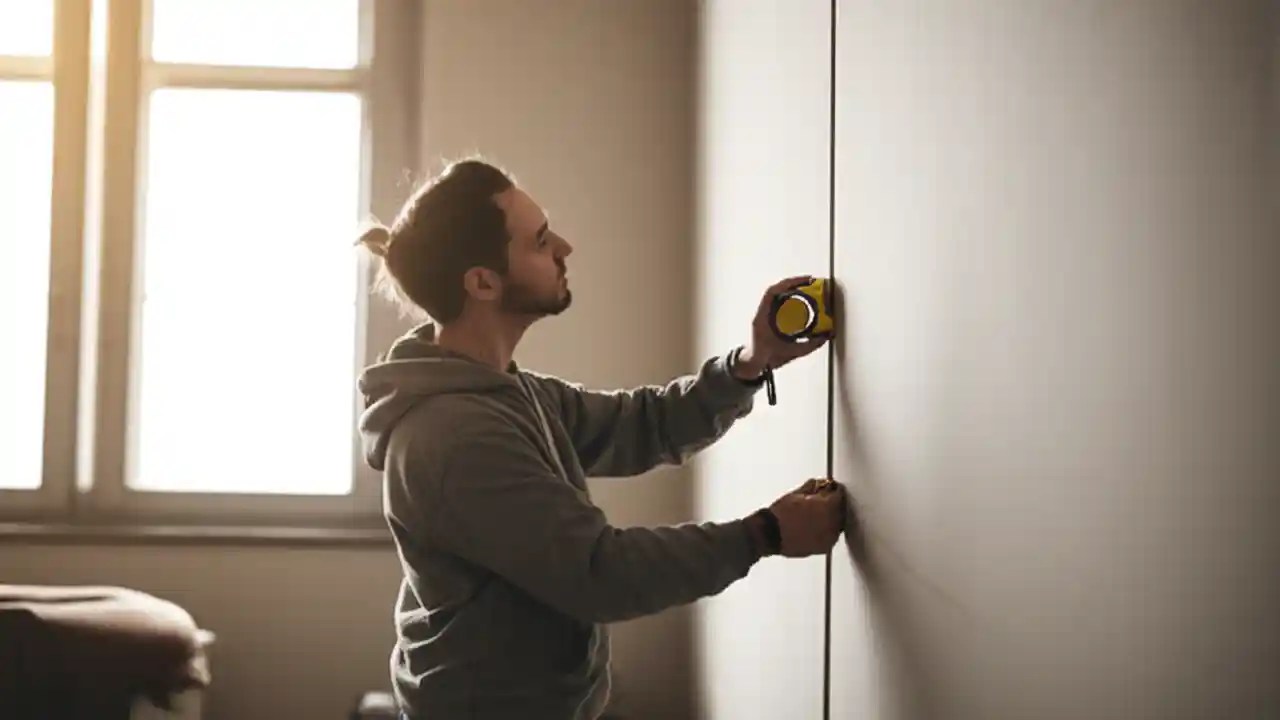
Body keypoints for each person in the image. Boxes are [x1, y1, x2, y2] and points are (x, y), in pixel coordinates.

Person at [356, 158, 847, 720]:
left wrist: (750, 363)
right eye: (541, 241)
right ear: (482, 281)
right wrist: (767, 533)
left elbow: (641, 424)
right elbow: (602, 572)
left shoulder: (508, 394)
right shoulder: (454, 437)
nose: (565, 247)